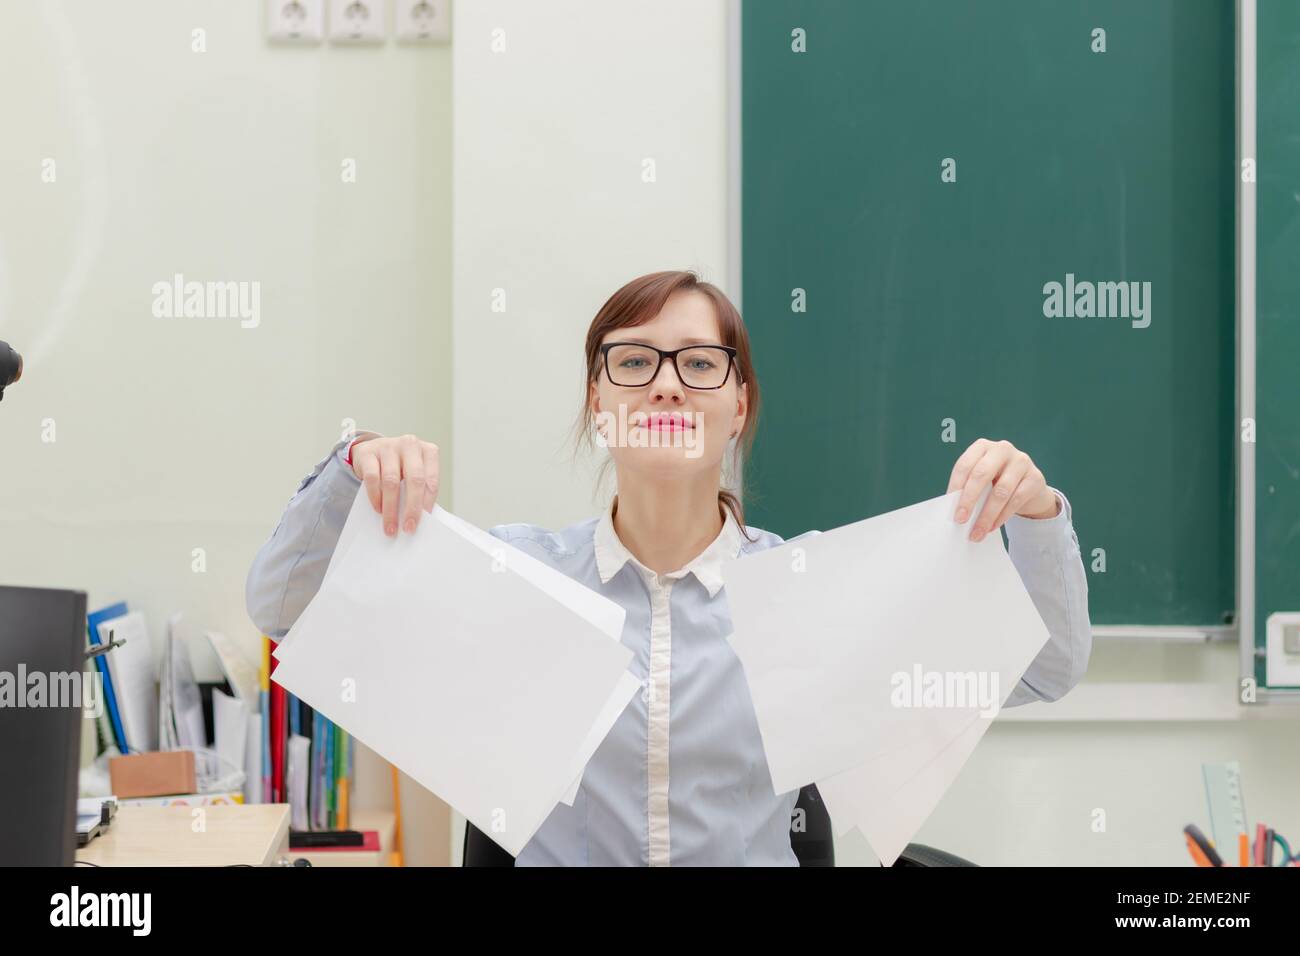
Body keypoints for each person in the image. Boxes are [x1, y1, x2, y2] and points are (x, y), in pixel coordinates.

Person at [246, 269, 1091, 866]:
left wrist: (1039, 515)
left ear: (739, 405)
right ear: (598, 401)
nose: (665, 388)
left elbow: (1048, 668)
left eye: (698, 363)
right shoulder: (512, 580)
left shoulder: (818, 598)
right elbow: (283, 609)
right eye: (634, 362)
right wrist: (351, 466)